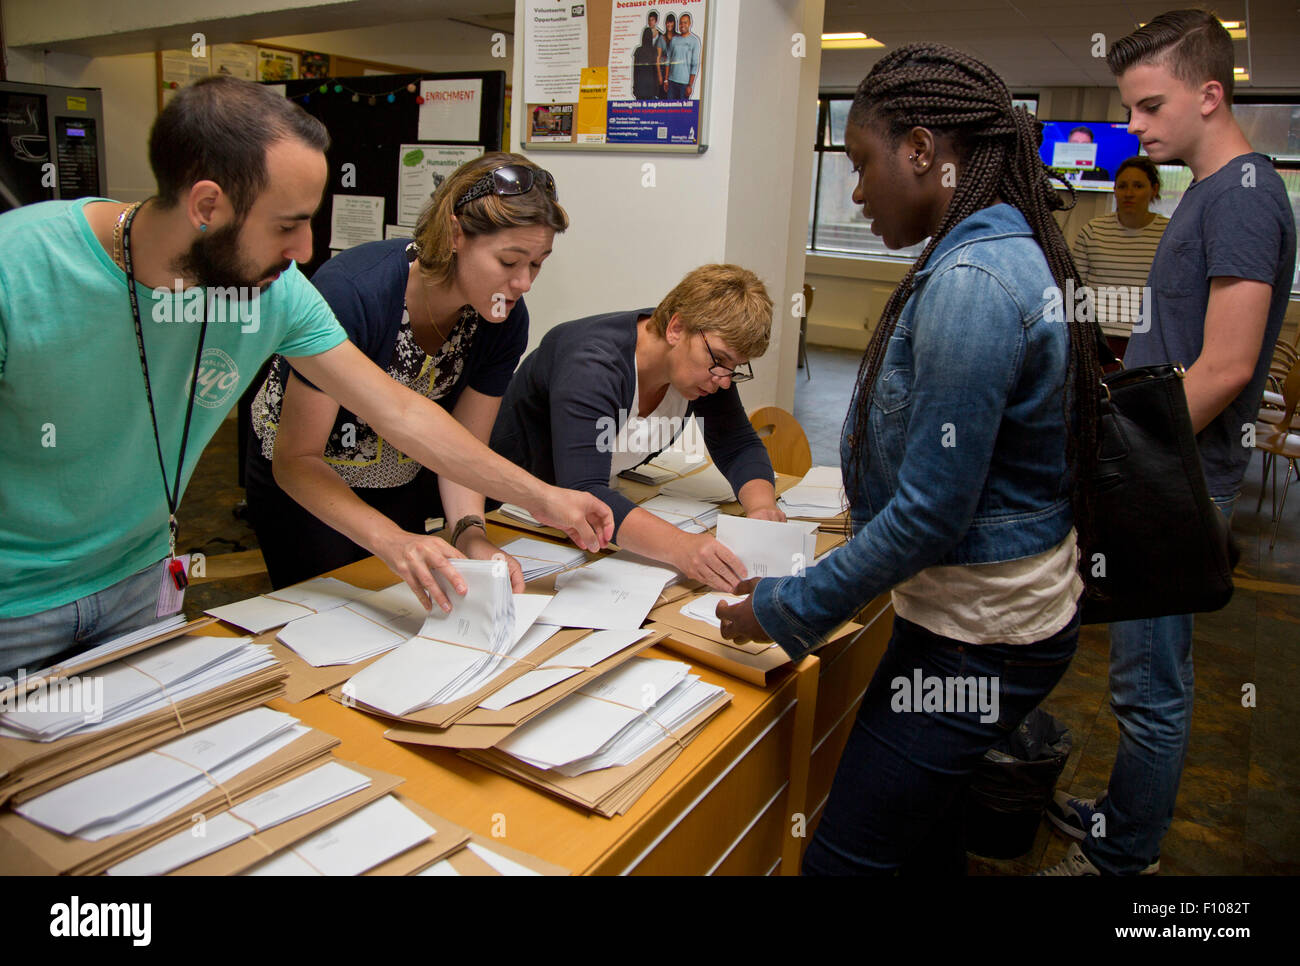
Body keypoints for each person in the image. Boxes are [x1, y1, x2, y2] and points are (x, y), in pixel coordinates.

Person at [0, 76, 612, 679]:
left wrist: (543, 500)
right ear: (207, 205)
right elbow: (297, 455)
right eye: (286, 224)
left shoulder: (278, 292)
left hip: (139, 582)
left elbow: (398, 412)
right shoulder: (19, 266)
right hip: (14, 605)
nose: (305, 248)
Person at [715, 43, 1104, 875]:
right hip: (985, 616)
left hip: (981, 634)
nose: (854, 192)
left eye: (861, 165)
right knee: (924, 838)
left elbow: (933, 512)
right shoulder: (997, 248)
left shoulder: (974, 276)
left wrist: (786, 608)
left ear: (923, 151)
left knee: (845, 862)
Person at [1041, 9, 1296, 876]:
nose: (1135, 129)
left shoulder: (1245, 199)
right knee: (1139, 679)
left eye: (1149, 107)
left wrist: (1120, 458)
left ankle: (1126, 862)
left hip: (1178, 479)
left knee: (1150, 690)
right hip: (1165, 466)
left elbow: (1224, 369)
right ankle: (1120, 817)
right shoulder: (1216, 194)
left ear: (1211, 93)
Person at [245, 154, 565, 593]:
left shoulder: (502, 318)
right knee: (334, 613)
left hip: (398, 477)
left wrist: (471, 533)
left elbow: (461, 449)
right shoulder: (355, 292)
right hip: (309, 484)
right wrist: (392, 540)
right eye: (510, 262)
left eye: (537, 263)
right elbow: (296, 460)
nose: (524, 283)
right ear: (455, 234)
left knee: (403, 604)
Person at [490, 265, 786, 592]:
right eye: (719, 360)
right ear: (676, 328)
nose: (724, 380)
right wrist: (683, 548)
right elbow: (584, 493)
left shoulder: (701, 366)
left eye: (734, 368)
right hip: (508, 517)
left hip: (590, 520)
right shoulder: (592, 364)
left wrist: (761, 508)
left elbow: (738, 443)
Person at [1071, 156, 1170, 361]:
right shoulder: (1093, 231)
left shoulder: (1170, 233)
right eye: (1122, 186)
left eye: (1138, 186)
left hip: (1145, 340)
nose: (1129, 193)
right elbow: (1073, 289)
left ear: (1154, 189)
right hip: (1098, 340)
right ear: (1114, 190)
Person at [666, 12, 702, 100]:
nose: (682, 25)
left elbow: (695, 64)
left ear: (690, 23)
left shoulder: (695, 41)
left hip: (684, 84)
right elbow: (668, 60)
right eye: (681, 23)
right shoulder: (674, 40)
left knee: (683, 112)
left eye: (685, 22)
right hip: (671, 82)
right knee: (669, 112)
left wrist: (690, 85)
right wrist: (666, 80)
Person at [633, 26, 662, 101]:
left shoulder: (638, 51)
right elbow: (655, 71)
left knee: (639, 111)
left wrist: (634, 87)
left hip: (639, 87)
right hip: (651, 87)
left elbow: (635, 71)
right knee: (650, 111)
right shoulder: (654, 51)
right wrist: (657, 89)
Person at [658, 14, 677, 98]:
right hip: (663, 71)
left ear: (674, 23)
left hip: (675, 72)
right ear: (665, 24)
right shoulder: (661, 38)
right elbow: (658, 58)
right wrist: (659, 76)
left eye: (671, 22)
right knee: (663, 97)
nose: (669, 25)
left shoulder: (678, 37)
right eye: (667, 23)